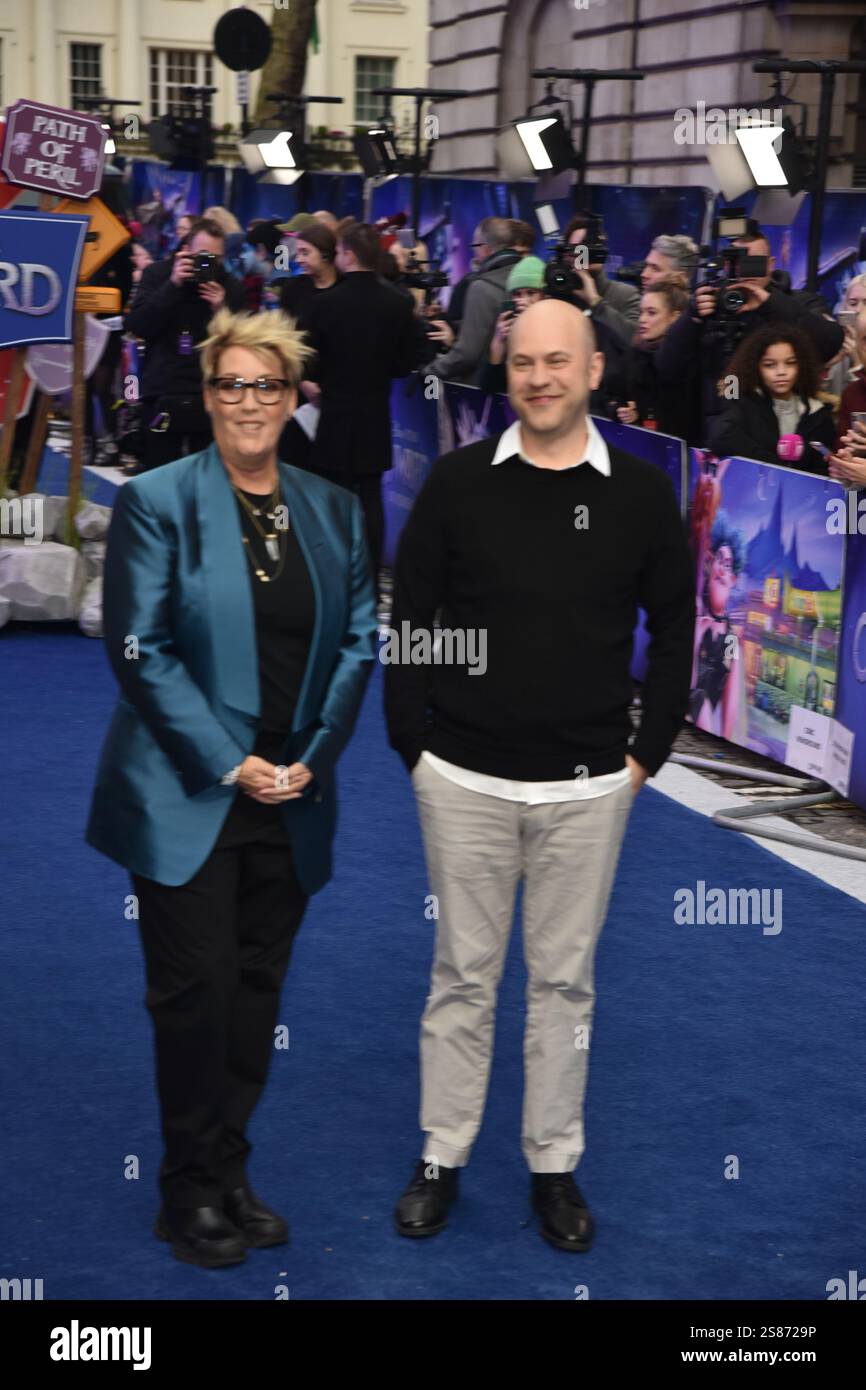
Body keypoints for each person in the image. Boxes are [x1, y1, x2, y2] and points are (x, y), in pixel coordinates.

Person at [384, 297, 695, 1251]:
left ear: (597, 369)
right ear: (505, 370)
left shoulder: (643, 495)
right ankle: (442, 1155)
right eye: (524, 362)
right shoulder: (459, 483)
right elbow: (417, 623)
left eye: (559, 361)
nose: (540, 378)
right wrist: (417, 747)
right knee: (462, 978)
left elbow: (677, 634)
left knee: (565, 988)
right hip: (464, 780)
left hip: (590, 786)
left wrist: (648, 755)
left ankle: (554, 1166)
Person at [86, 309, 378, 1269]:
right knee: (197, 995)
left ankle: (230, 1167)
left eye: (267, 387)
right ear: (208, 398)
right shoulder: (158, 502)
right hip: (189, 790)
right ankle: (186, 1190)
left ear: (294, 398)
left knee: (257, 992)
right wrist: (228, 759)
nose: (249, 403)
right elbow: (142, 650)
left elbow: (357, 640)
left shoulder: (333, 510)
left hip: (293, 792)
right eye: (230, 386)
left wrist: (315, 755)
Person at [300, 221, 432, 577]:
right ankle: (370, 580)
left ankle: (331, 574)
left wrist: (316, 381)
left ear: (348, 254)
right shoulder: (399, 302)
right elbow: (407, 361)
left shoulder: (325, 303)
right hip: (374, 413)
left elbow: (306, 358)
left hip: (334, 413)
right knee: (371, 498)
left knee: (331, 500)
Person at [658, 229, 844, 437]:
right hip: (712, 430)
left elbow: (830, 342)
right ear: (726, 265)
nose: (745, 270)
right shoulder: (710, 305)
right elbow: (667, 366)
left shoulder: (797, 302)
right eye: (737, 262)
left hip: (778, 434)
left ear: (771, 265)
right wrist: (690, 319)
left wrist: (769, 304)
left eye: (753, 262)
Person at [124, 217, 246, 472]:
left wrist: (221, 310)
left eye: (216, 258)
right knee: (159, 477)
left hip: (211, 394)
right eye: (203, 256)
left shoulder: (230, 286)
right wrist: (173, 284)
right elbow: (138, 325)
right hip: (163, 390)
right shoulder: (158, 274)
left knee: (208, 478)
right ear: (186, 250)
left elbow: (242, 344)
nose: (209, 264)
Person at [707, 325, 836, 473]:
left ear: (801, 366)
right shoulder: (743, 404)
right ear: (756, 368)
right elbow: (720, 437)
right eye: (770, 365)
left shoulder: (818, 415)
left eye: (790, 363)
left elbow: (824, 470)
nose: (781, 372)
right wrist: (777, 468)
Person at [426, 217, 522, 385]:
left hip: (482, 393)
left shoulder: (481, 287)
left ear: (485, 249)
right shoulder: (529, 281)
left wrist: (430, 372)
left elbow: (467, 355)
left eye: (475, 246)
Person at [609, 275, 702, 443]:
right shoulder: (634, 354)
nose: (642, 319)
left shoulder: (694, 359)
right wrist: (622, 410)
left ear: (676, 317)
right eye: (641, 312)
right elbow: (613, 396)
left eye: (651, 313)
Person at [559, 213, 640, 352]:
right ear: (567, 255)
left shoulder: (625, 295)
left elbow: (634, 342)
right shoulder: (559, 295)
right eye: (577, 249)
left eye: (590, 246)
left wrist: (596, 302)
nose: (584, 254)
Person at [478, 255, 546, 395]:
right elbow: (489, 387)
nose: (522, 300)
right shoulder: (506, 328)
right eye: (517, 294)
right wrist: (498, 343)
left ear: (544, 295)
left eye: (531, 293)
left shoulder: (557, 326)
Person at [837, 306, 866, 441]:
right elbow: (842, 444)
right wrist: (846, 456)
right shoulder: (851, 394)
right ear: (857, 345)